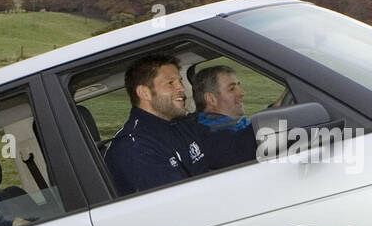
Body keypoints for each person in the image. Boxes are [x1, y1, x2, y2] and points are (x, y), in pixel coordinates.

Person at [104, 54, 250, 194]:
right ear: (144, 93)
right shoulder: (133, 147)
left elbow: (231, 149)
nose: (181, 88)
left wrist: (267, 122)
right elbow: (176, 205)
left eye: (180, 81)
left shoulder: (181, 125)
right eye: (171, 83)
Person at [191, 64, 258, 168]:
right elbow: (240, 144)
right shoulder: (209, 133)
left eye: (239, 86)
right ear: (211, 99)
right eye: (231, 89)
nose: (242, 93)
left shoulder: (229, 124)